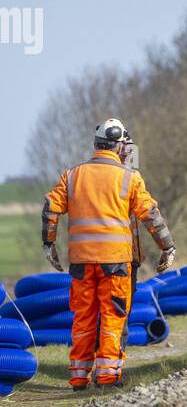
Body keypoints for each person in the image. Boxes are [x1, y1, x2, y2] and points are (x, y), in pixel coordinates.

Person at [41, 119, 176, 389]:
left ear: (97, 144)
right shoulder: (129, 177)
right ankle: (107, 377)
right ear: (120, 146)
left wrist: (49, 243)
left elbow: (51, 206)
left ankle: (78, 377)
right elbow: (150, 215)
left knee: (83, 318)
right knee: (113, 317)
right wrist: (167, 247)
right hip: (115, 263)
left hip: (81, 262)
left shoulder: (73, 175)